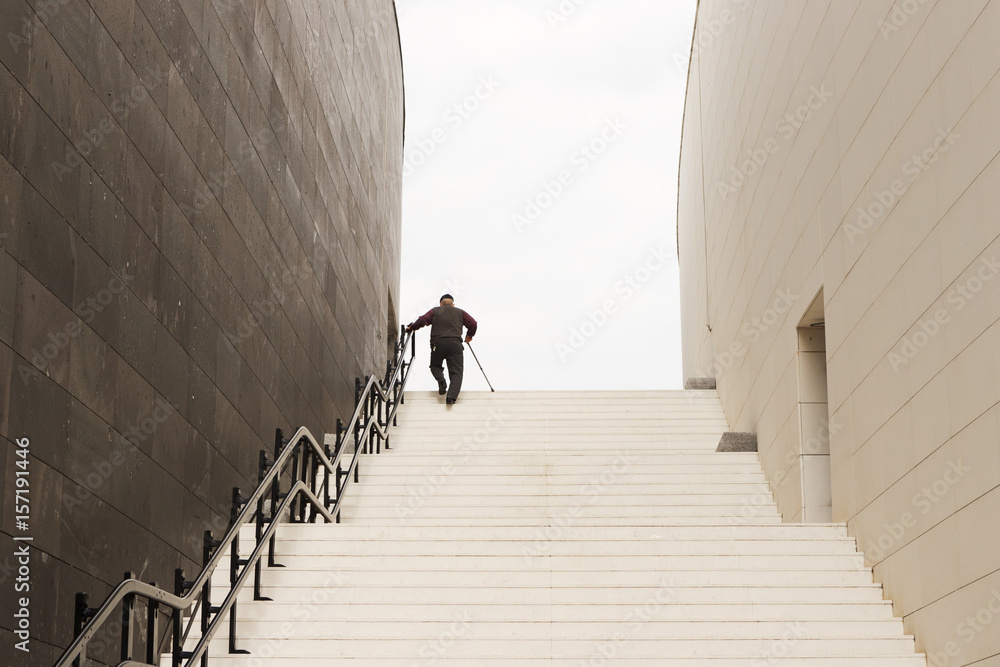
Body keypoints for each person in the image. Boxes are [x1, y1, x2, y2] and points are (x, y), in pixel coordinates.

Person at [406, 295, 477, 404]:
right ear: (453, 304)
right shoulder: (460, 312)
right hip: (455, 345)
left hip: (437, 344)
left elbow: (422, 320)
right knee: (456, 373)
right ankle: (451, 398)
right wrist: (469, 336)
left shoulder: (435, 311)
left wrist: (412, 327)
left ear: (441, 304)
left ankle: (441, 381)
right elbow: (473, 323)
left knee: (435, 366)